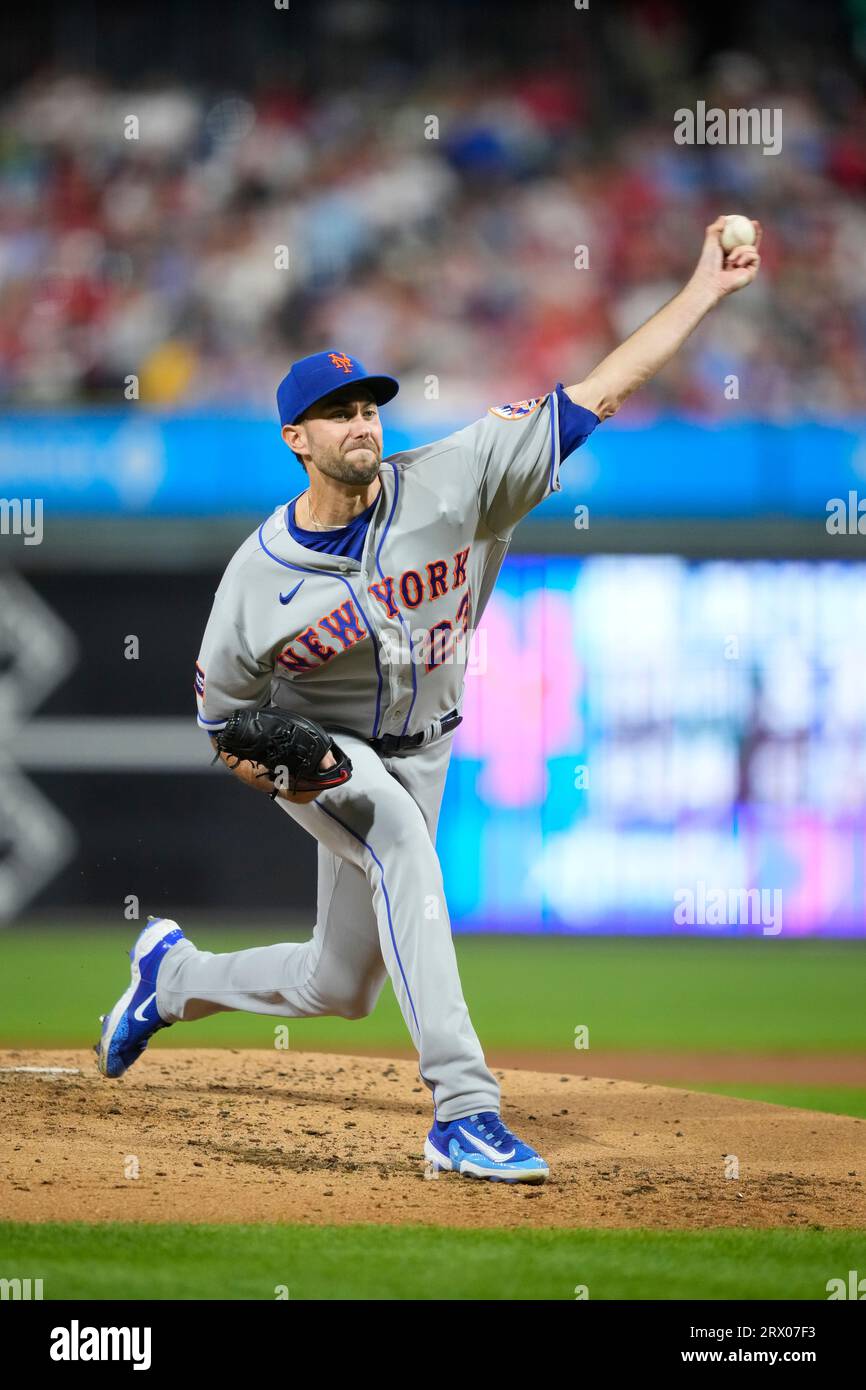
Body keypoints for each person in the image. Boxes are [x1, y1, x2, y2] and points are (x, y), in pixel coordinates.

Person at [96, 216, 761, 1183]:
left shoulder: (458, 481)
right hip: (334, 754)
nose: (363, 421)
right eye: (339, 412)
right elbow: (223, 724)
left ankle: (172, 978)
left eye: (370, 405)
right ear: (297, 439)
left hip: (431, 746)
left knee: (342, 984)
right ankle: (463, 1110)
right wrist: (276, 769)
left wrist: (705, 288)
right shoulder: (256, 580)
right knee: (400, 842)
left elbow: (600, 393)